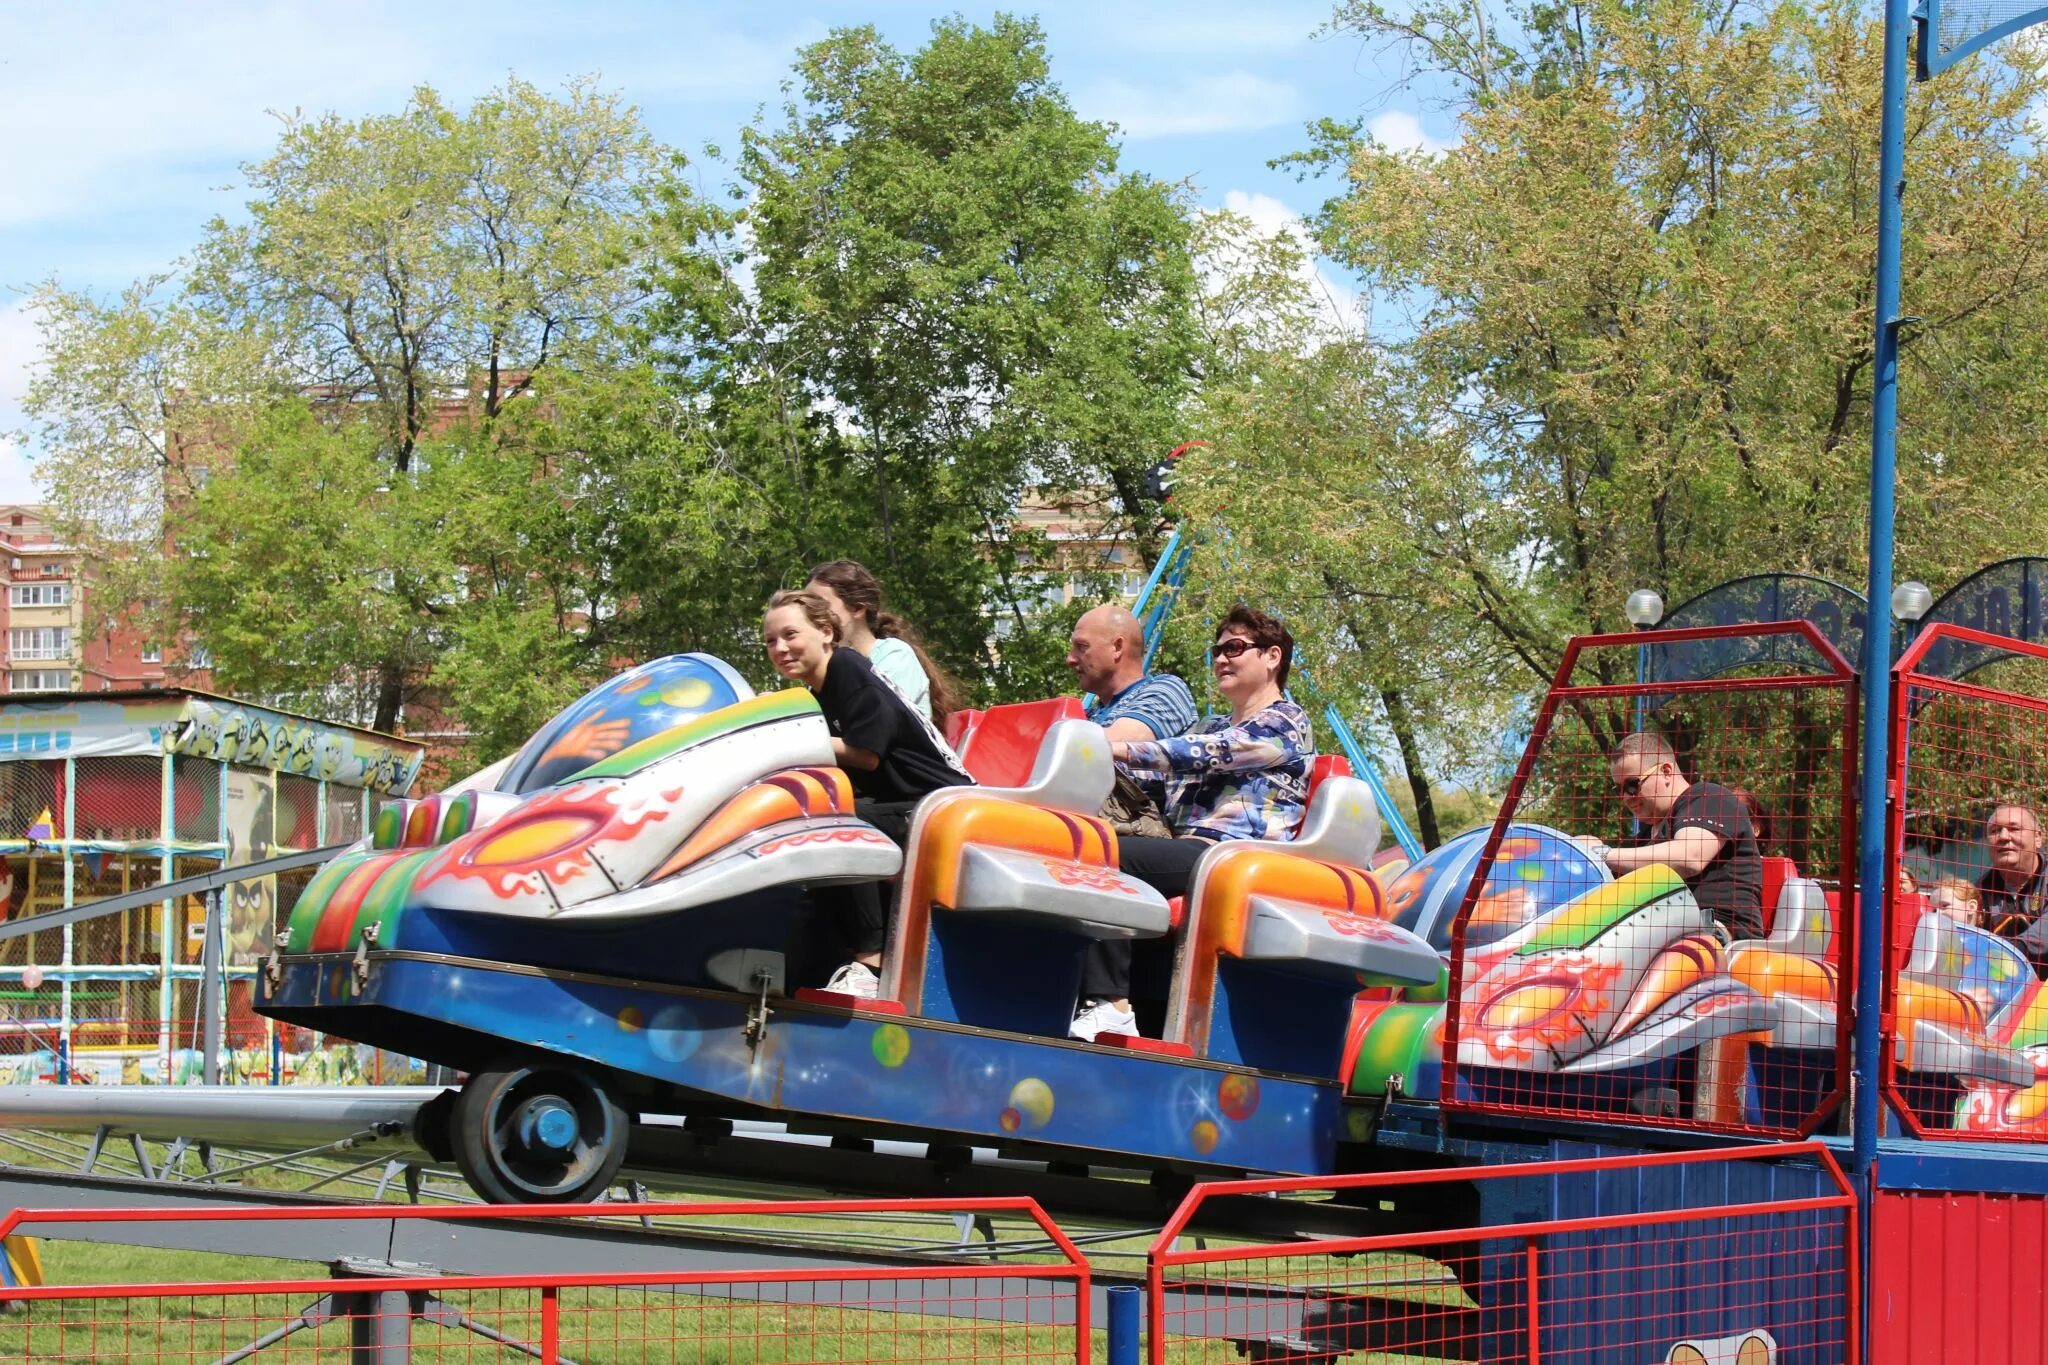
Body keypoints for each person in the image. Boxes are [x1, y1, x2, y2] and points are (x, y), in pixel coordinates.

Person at [1068, 606, 1314, 1041]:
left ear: (1272, 656)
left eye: (1235, 648)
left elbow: (1205, 752)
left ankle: (1108, 1003)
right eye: (1216, 650)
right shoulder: (1210, 724)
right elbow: (1160, 781)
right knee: (1082, 838)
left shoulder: (1285, 723)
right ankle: (1127, 1017)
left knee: (1100, 854)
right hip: (1188, 849)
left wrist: (1115, 747)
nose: (1221, 658)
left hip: (1234, 857)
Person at [762, 590, 973, 997]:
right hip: (906, 804)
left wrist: (791, 736)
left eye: (790, 634)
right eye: (771, 641)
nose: (780, 648)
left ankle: (870, 961)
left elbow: (866, 754)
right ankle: (806, 970)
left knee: (840, 820)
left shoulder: (847, 669)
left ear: (826, 632)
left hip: (941, 804)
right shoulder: (817, 692)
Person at [1584, 732, 1764, 942]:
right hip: (1661, 934)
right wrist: (1581, 852)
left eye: (1633, 785)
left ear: (1666, 772)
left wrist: (1602, 854)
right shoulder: (1642, 840)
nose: (1625, 798)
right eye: (1620, 790)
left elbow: (1690, 857)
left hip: (1720, 938)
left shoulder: (1710, 797)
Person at [1068, 603, 1197, 830]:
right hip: (1090, 822)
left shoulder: (1166, 690)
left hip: (1136, 833)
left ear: (1117, 647)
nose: (1070, 659)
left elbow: (1109, 746)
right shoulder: (1089, 714)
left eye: (1081, 647)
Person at [804, 560, 962, 724]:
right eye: (807, 610)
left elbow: (875, 730)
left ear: (857, 608)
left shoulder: (895, 657)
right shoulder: (826, 673)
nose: (809, 617)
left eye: (819, 606)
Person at [1979, 803, 2048, 961]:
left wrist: (2013, 950)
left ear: (2037, 838)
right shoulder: (1980, 891)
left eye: (2014, 829)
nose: (2003, 836)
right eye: (1995, 831)